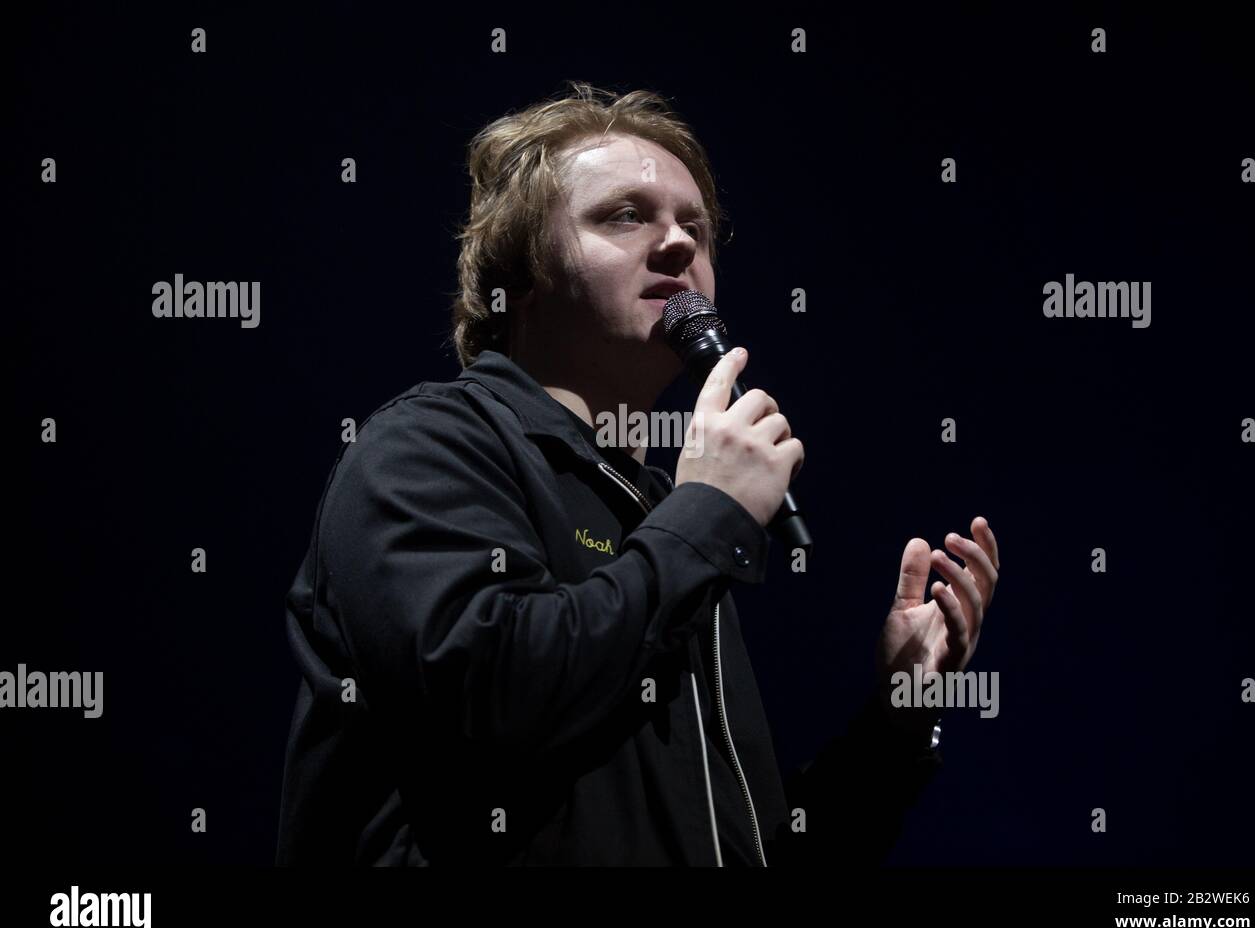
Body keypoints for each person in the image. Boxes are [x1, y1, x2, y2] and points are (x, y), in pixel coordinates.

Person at [275, 82, 1000, 866]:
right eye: (626, 215)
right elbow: (491, 696)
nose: (681, 244)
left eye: (697, 227)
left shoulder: (662, 517)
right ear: (519, 273)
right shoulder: (429, 445)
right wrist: (708, 516)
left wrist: (901, 713)